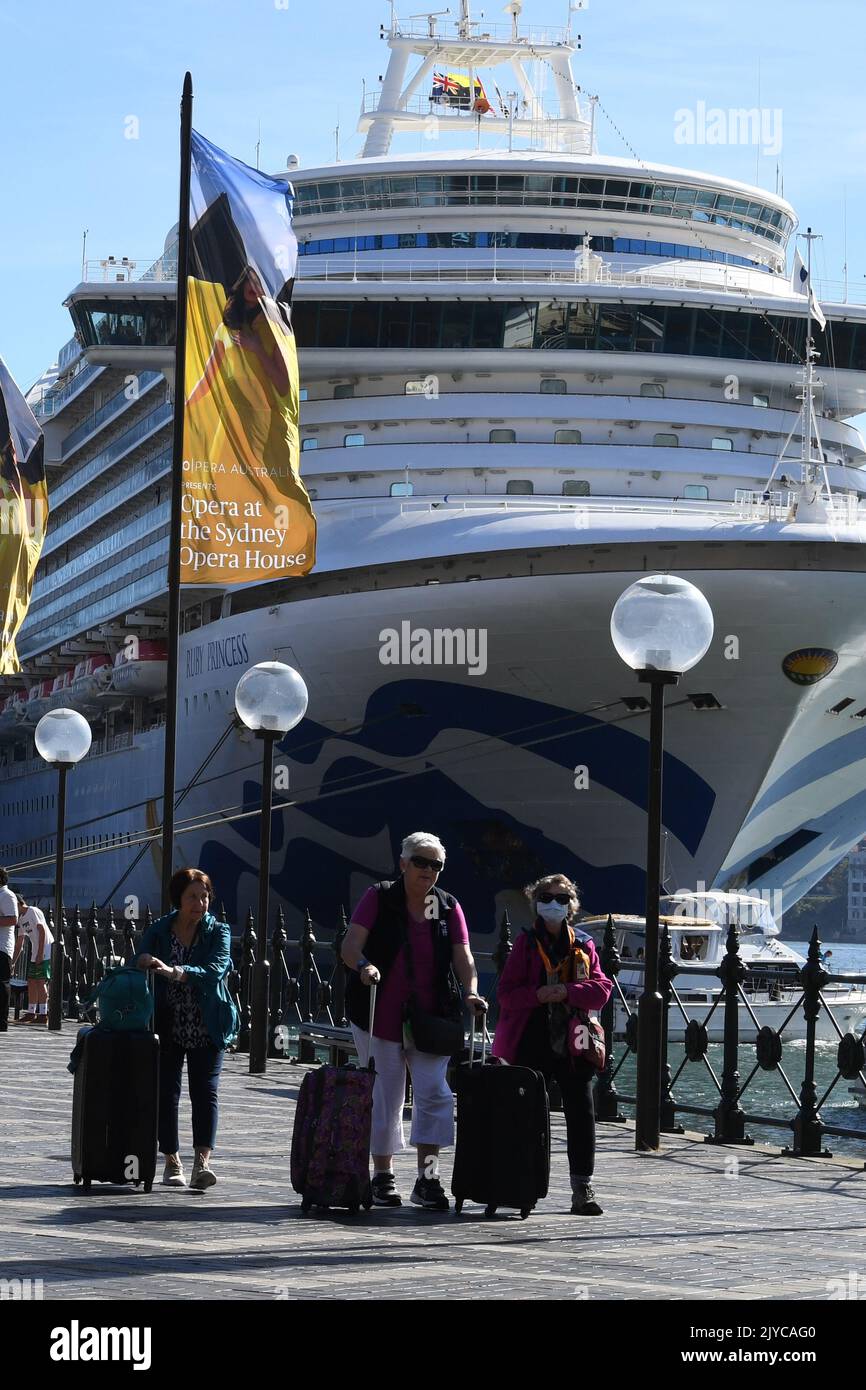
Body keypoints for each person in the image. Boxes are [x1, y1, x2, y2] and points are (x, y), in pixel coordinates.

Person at [342, 832, 487, 1211]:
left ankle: (428, 1177)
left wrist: (471, 990)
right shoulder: (380, 897)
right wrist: (364, 966)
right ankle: (382, 1176)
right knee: (385, 1096)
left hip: (431, 1017)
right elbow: (350, 945)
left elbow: (463, 956)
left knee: (435, 1094)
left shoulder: (447, 906)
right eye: (420, 862)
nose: (428, 870)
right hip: (380, 1014)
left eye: (435, 865)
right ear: (403, 863)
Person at [492, 873, 612, 1215]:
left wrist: (567, 991)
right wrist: (537, 995)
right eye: (547, 897)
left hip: (576, 1041)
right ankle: (526, 1185)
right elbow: (507, 995)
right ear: (536, 902)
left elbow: (602, 990)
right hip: (533, 1039)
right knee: (530, 1116)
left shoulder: (585, 944)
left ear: (572, 906)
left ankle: (582, 1187)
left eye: (562, 899)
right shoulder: (525, 945)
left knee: (581, 1113)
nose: (554, 904)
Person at [135, 868, 238, 1190]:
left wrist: (176, 971)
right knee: (167, 1091)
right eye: (193, 896)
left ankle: (202, 1162)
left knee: (205, 1093)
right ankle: (171, 1159)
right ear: (178, 899)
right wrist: (144, 960)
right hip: (167, 1021)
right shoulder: (160, 929)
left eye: (205, 896)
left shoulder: (218, 931)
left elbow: (215, 969)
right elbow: (138, 957)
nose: (200, 903)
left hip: (207, 1022)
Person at [12, 894, 53, 1025]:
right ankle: (31, 1012)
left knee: (40, 981)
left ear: (18, 903)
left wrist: (40, 953)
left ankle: (43, 1014)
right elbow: (20, 942)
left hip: (45, 949)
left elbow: (42, 931)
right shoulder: (21, 919)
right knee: (31, 980)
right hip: (35, 951)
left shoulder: (33, 911)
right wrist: (12, 962)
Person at [0, 867, 18, 1032]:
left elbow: (13, 919)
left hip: (2, 947)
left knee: (2, 983)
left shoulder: (7, 895)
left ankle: (1, 1022)